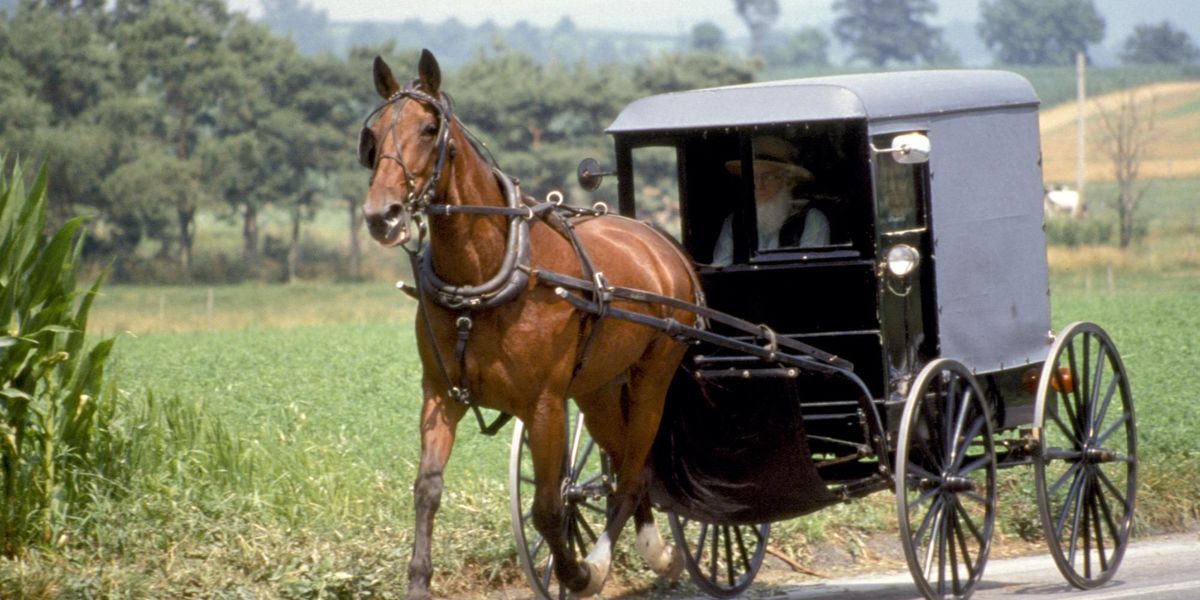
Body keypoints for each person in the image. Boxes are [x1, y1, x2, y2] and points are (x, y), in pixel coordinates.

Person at [712, 136, 830, 266]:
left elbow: (809, 272)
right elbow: (721, 269)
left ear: (788, 181)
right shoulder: (735, 222)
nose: (759, 185)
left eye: (768, 177)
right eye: (754, 177)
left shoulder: (811, 220)